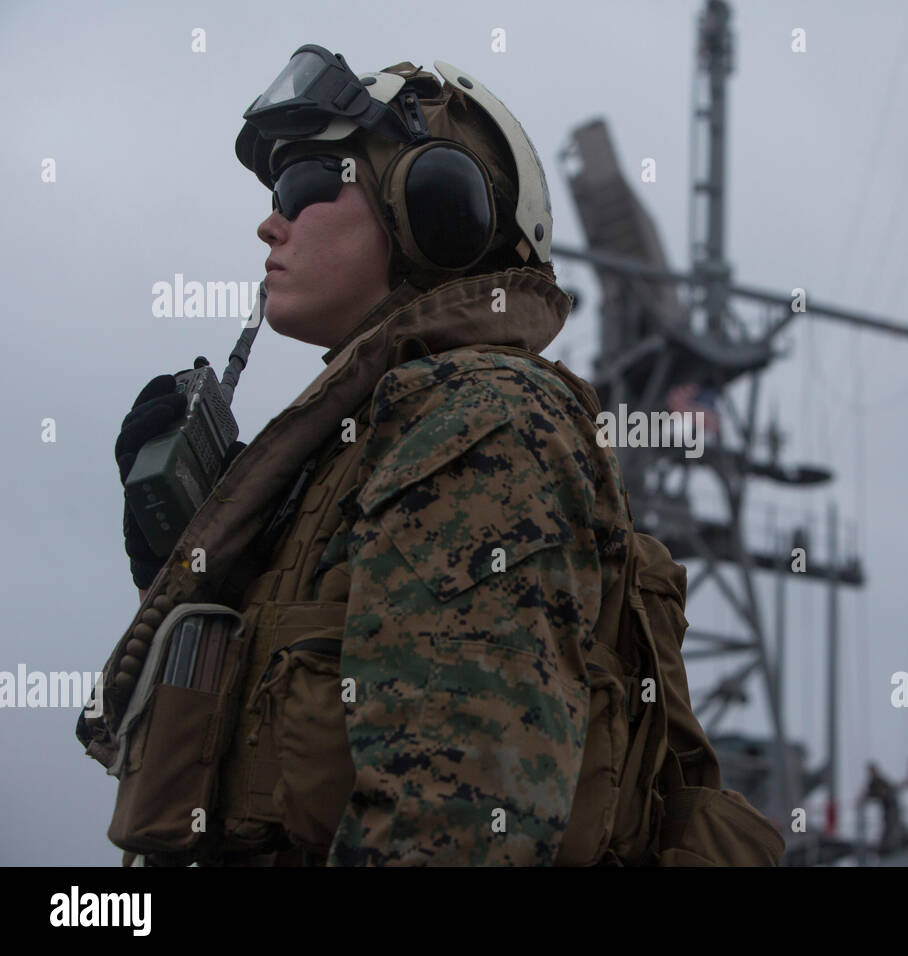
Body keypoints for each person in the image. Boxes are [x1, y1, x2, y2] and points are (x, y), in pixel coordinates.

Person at [85, 47, 749, 867]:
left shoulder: (484, 424)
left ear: (434, 209)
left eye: (302, 185)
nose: (270, 221)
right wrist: (197, 569)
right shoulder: (363, 449)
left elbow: (454, 834)